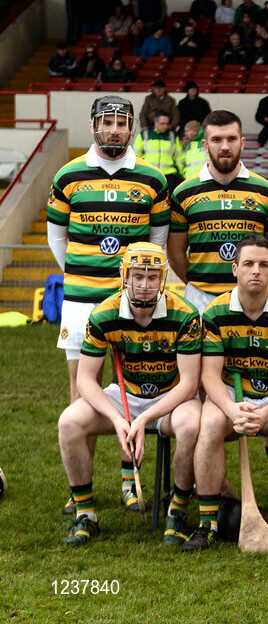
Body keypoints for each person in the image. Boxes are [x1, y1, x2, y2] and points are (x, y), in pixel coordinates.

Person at [48, 96, 170, 514]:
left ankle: (127, 482)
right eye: (108, 122)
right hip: (82, 303)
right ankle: (79, 487)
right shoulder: (68, 175)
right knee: (81, 392)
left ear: (133, 127)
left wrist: (126, 286)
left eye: (122, 122)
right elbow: (57, 239)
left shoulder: (153, 179)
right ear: (93, 126)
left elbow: (156, 244)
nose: (115, 129)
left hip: (132, 304)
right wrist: (86, 279)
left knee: (126, 390)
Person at [57, 243, 202, 545]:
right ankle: (86, 514)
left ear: (163, 277)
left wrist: (145, 418)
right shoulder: (103, 315)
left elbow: (190, 384)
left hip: (172, 397)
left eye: (152, 277)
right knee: (69, 422)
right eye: (138, 276)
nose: (145, 285)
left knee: (191, 425)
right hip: (125, 396)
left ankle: (177, 511)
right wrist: (117, 418)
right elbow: (85, 380)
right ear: (124, 276)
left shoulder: (186, 315)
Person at [181, 235, 268, 553]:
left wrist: (264, 413)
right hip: (229, 396)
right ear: (235, 269)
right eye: (248, 264)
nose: (256, 271)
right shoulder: (215, 311)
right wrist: (233, 410)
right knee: (208, 424)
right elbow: (208, 375)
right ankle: (208, 521)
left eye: (263, 265)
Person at [168, 110, 268, 315]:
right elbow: (176, 254)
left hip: (252, 297)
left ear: (242, 142)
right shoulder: (183, 192)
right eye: (216, 140)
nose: (224, 147)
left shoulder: (266, 191)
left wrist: (252, 284)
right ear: (205, 145)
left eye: (231, 139)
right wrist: (199, 281)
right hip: (199, 298)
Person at [133, 112, 184, 194]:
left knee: (169, 203)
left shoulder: (173, 136)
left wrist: (178, 172)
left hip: (169, 176)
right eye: (162, 123)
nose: (165, 126)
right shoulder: (144, 135)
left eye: (167, 124)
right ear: (155, 122)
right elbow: (136, 156)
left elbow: (180, 156)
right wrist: (141, 172)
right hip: (148, 175)